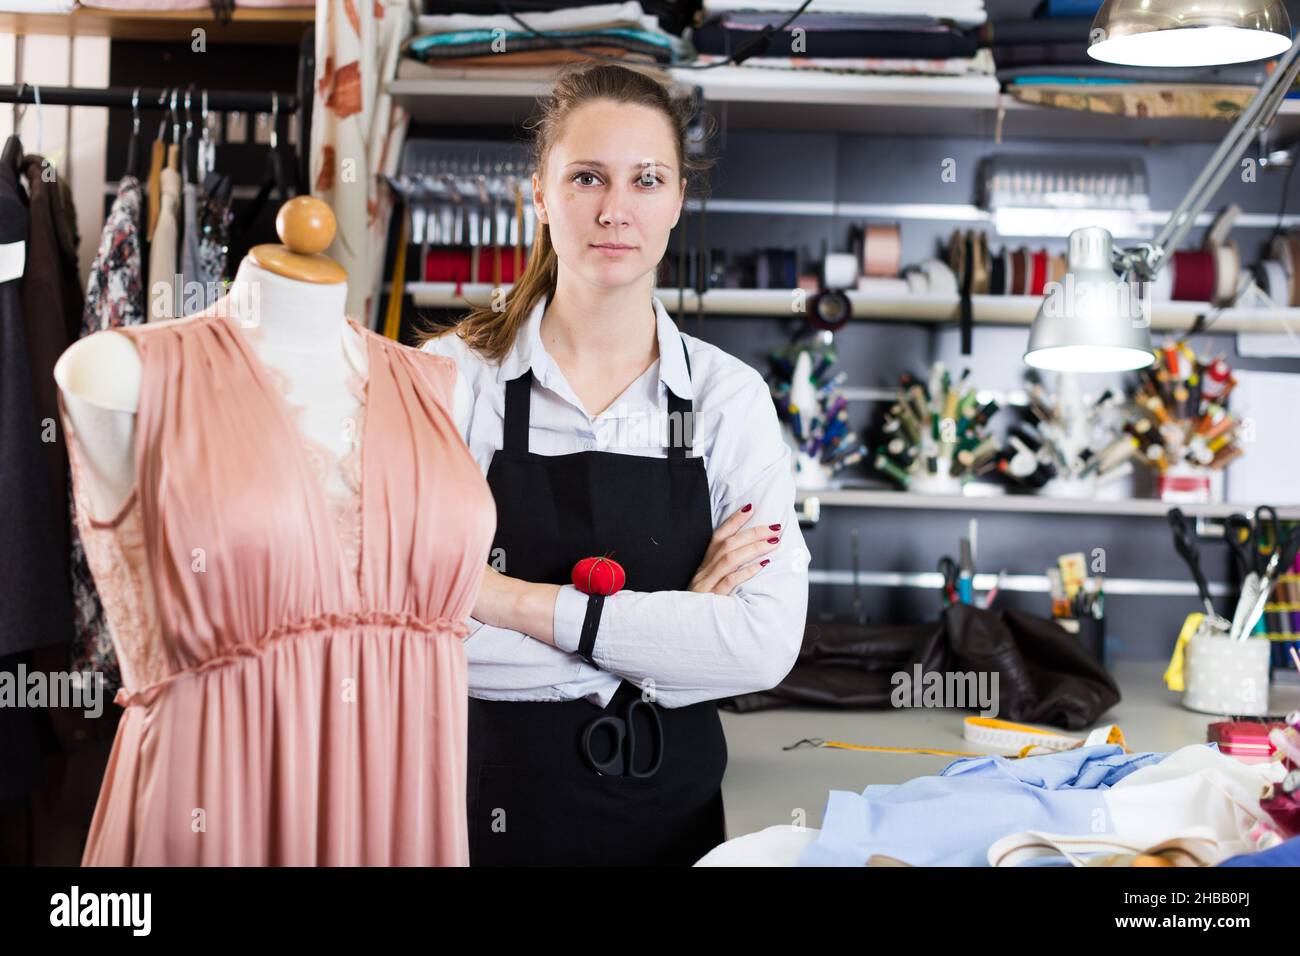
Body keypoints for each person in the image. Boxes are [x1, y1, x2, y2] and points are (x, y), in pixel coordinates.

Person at [421, 63, 810, 866]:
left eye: (648, 180)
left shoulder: (728, 400)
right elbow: (412, 629)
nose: (614, 210)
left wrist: (501, 597)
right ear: (541, 193)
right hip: (484, 814)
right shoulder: (452, 379)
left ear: (676, 201)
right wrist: (665, 637)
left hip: (672, 824)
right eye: (588, 176)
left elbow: (761, 645)